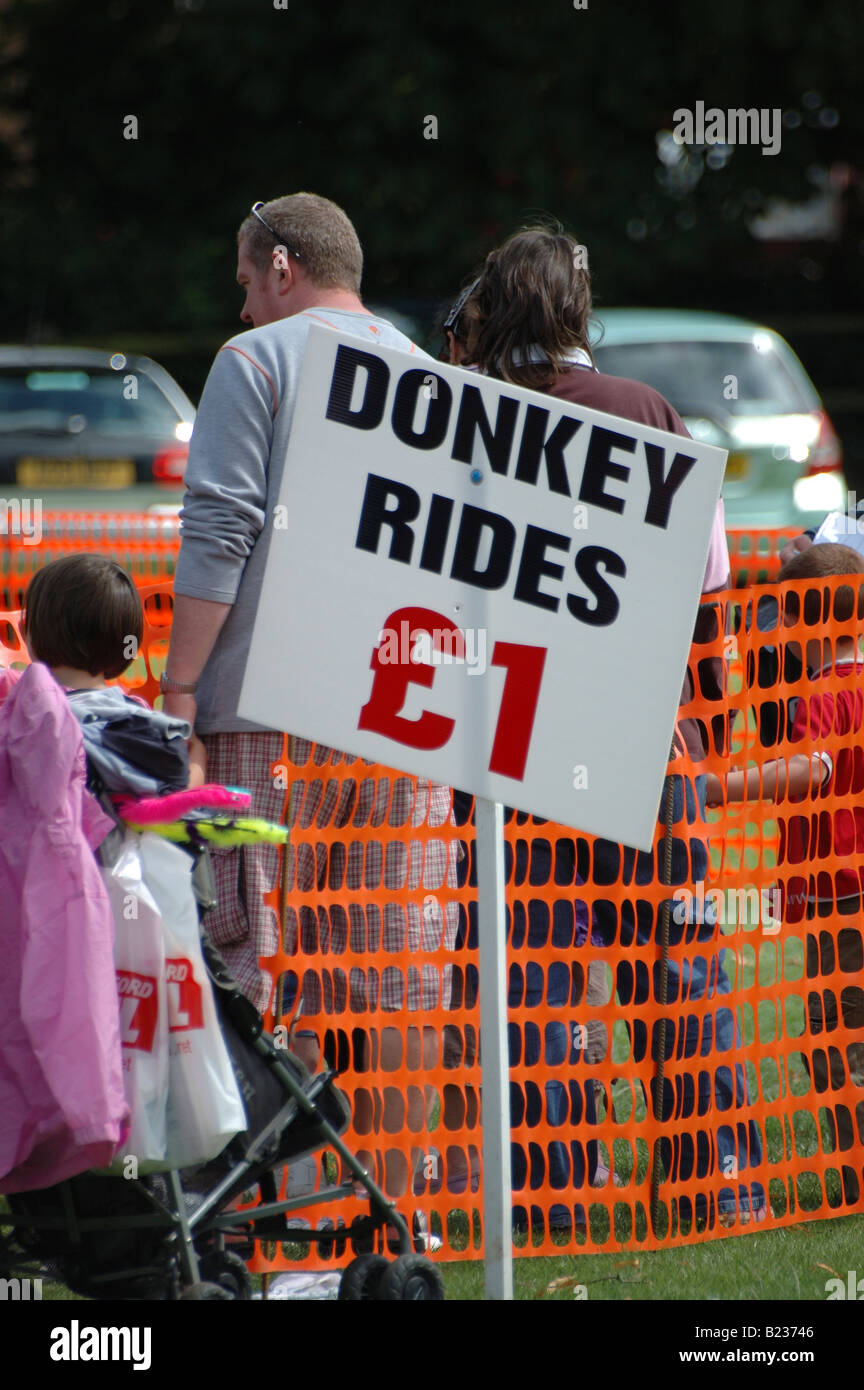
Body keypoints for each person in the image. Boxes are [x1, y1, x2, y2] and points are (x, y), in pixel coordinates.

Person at [444, 225, 763, 1230]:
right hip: (643, 743)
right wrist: (703, 727)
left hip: (506, 739)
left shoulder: (469, 420)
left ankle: (549, 1191)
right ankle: (717, 1181)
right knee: (675, 963)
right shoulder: (654, 414)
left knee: (530, 968)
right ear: (583, 311)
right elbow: (707, 591)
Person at [162, 194, 456, 1223]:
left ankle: (288, 1203)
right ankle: (398, 1202)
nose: (241, 308)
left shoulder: (257, 363)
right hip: (404, 719)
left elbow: (221, 530)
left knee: (269, 964)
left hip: (267, 718)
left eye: (245, 282)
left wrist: (179, 689)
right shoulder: (425, 374)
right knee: (396, 963)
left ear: (282, 266)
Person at [706, 542, 864, 1170]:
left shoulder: (826, 692)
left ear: (812, 622)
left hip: (841, 897)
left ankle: (854, 1165)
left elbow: (809, 767)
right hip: (837, 894)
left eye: (786, 613)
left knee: (838, 1033)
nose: (778, 629)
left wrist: (718, 787)